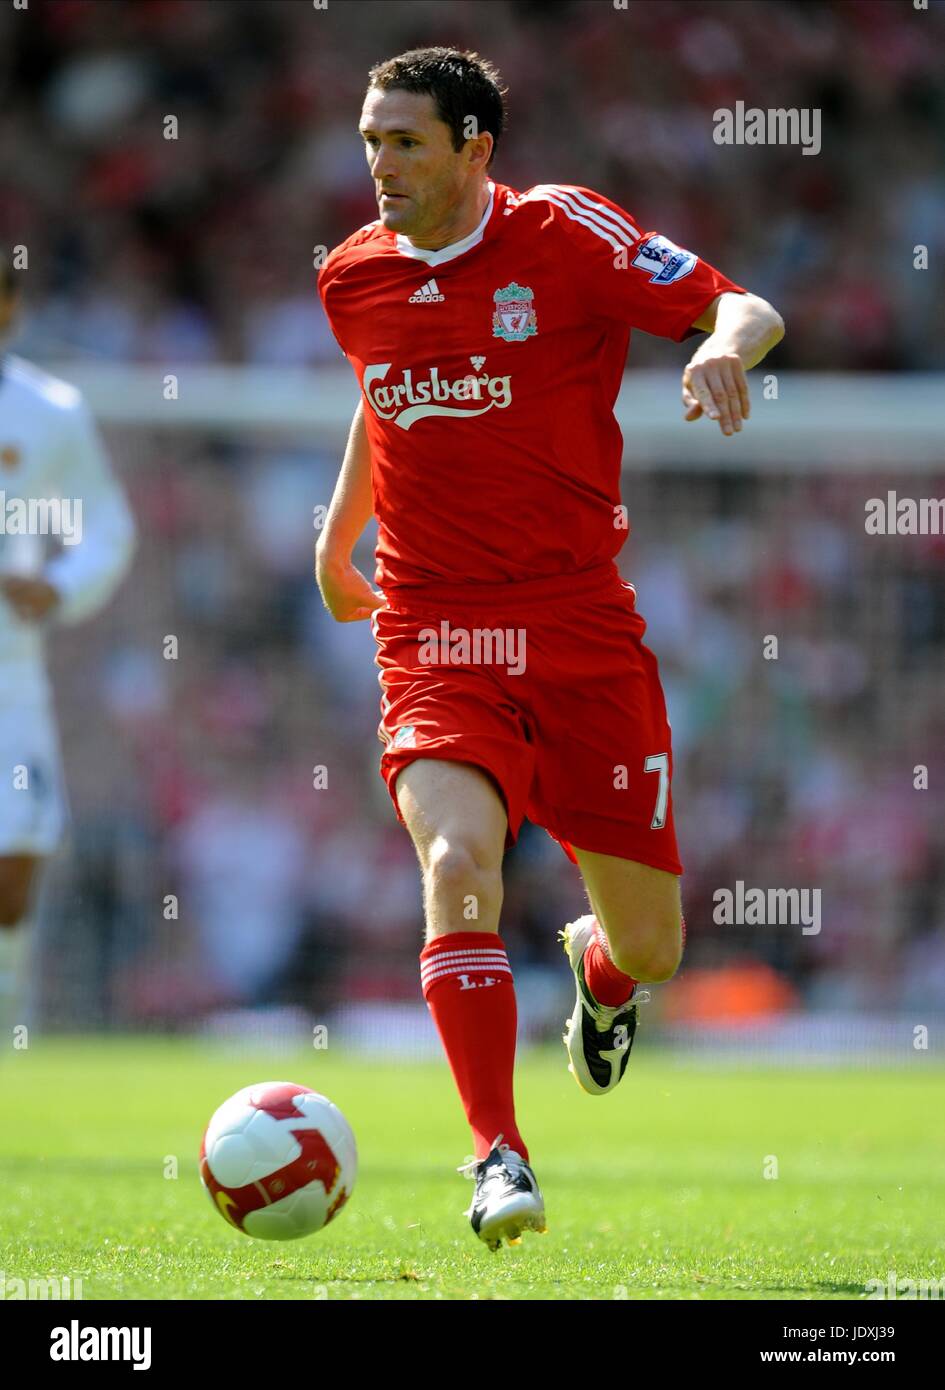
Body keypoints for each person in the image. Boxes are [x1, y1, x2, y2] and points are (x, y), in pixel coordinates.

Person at [316, 47, 784, 1249]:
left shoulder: (566, 233)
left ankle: (603, 974)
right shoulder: (352, 278)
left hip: (578, 625)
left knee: (655, 946)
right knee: (458, 865)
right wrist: (337, 539)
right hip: (434, 630)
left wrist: (724, 346)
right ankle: (496, 1154)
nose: (380, 165)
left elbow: (742, 301)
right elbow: (384, 400)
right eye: (371, 140)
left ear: (476, 147)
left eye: (406, 142)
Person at [0, 252, 136, 1032]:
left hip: (12, 675)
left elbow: (106, 527)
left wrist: (58, 586)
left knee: (15, 870)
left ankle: (9, 1036)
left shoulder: (48, 412)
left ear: (10, 306)